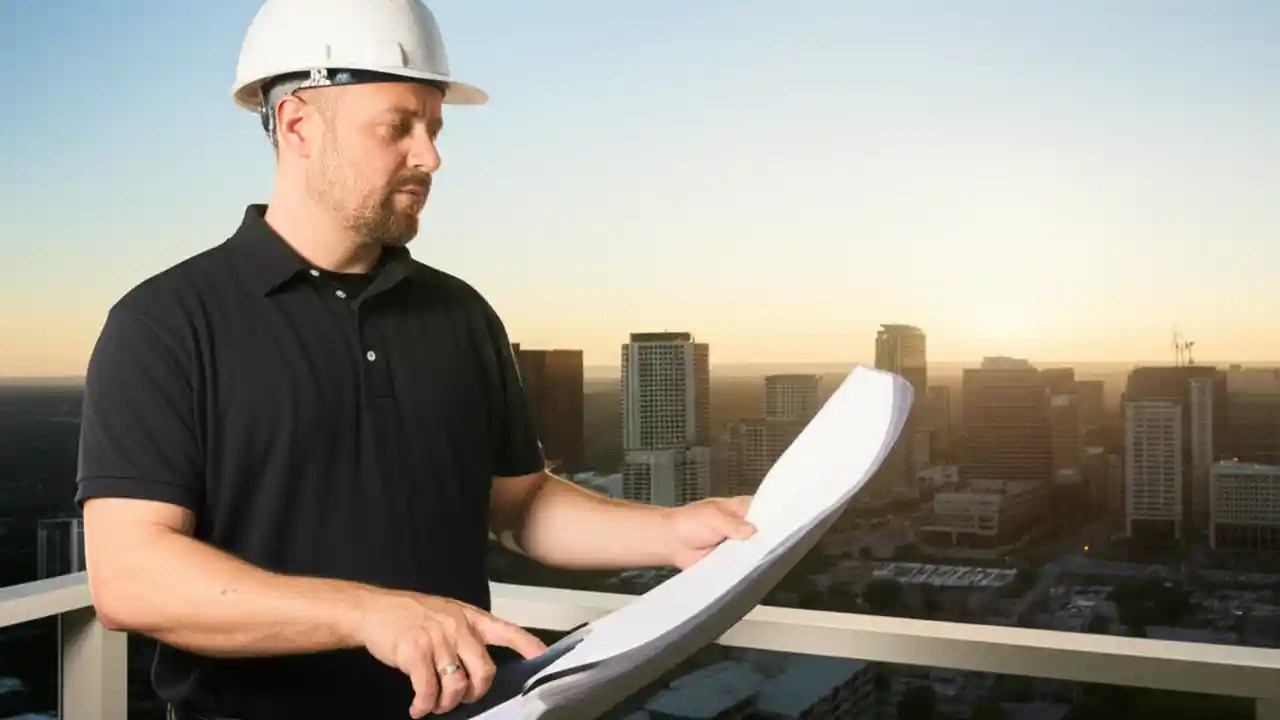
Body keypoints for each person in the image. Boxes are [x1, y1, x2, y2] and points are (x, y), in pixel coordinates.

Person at [74, 1, 755, 718]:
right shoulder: (166, 324)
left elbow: (519, 504)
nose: (429, 156)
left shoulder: (461, 314)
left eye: (433, 128)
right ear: (298, 125)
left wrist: (668, 532)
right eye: (397, 126)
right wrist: (368, 614)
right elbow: (131, 578)